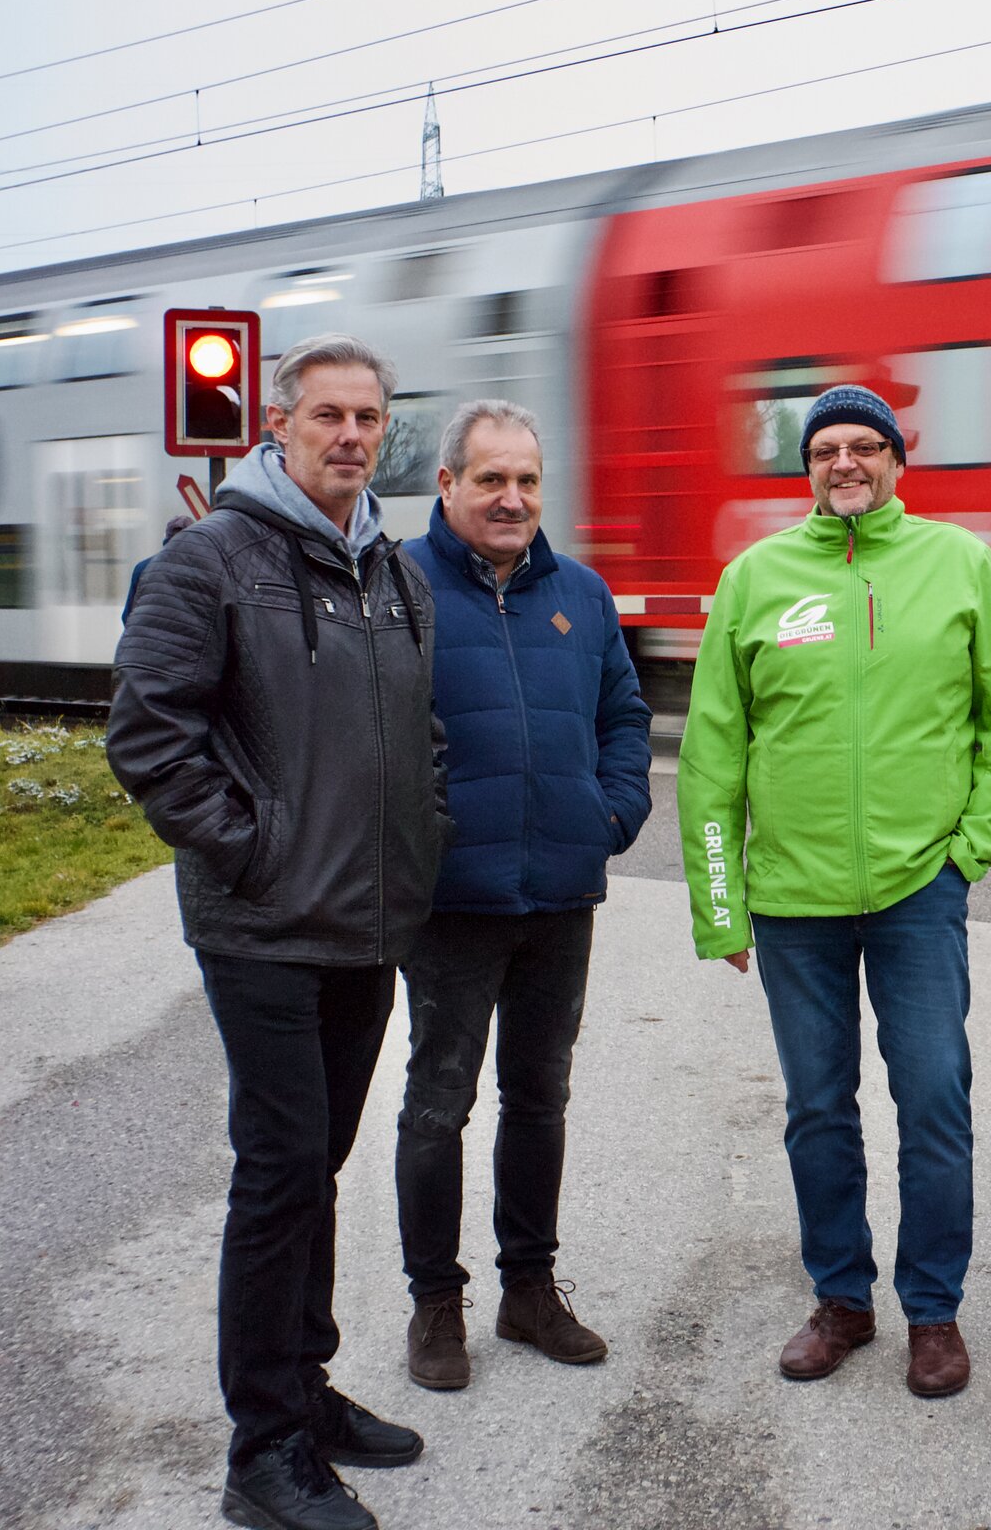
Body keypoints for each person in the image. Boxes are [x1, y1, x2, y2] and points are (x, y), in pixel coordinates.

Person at [108, 333, 444, 1530]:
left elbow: (417, 736)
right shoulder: (211, 561)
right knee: (280, 1171)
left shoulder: (391, 573)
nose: (351, 436)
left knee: (317, 1168)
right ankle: (264, 1450)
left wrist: (423, 840)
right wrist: (251, 847)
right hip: (262, 924)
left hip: (367, 922)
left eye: (368, 418)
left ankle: (305, 1387)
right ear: (278, 423)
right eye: (328, 416)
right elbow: (149, 737)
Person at [679, 383, 991, 1398]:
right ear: (806, 468)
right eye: (825, 449)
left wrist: (969, 850)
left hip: (915, 889)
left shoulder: (959, 566)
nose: (844, 462)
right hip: (791, 900)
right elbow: (713, 753)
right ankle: (840, 1301)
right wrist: (720, 903)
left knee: (932, 1099)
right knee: (816, 1108)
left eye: (863, 446)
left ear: (895, 460)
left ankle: (934, 1312)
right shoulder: (755, 579)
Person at [394, 400, 652, 1391]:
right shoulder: (402, 588)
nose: (512, 499)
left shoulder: (580, 595)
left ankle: (527, 1289)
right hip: (450, 903)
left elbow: (623, 714)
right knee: (437, 1104)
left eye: (528, 481)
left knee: (538, 1096)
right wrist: (424, 837)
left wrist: (610, 813)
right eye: (491, 479)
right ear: (448, 485)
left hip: (557, 893)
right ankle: (434, 1302)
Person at [121, 512, 195, 624]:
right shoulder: (202, 569)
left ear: (166, 538)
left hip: (148, 638)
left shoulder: (142, 567)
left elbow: (127, 616)